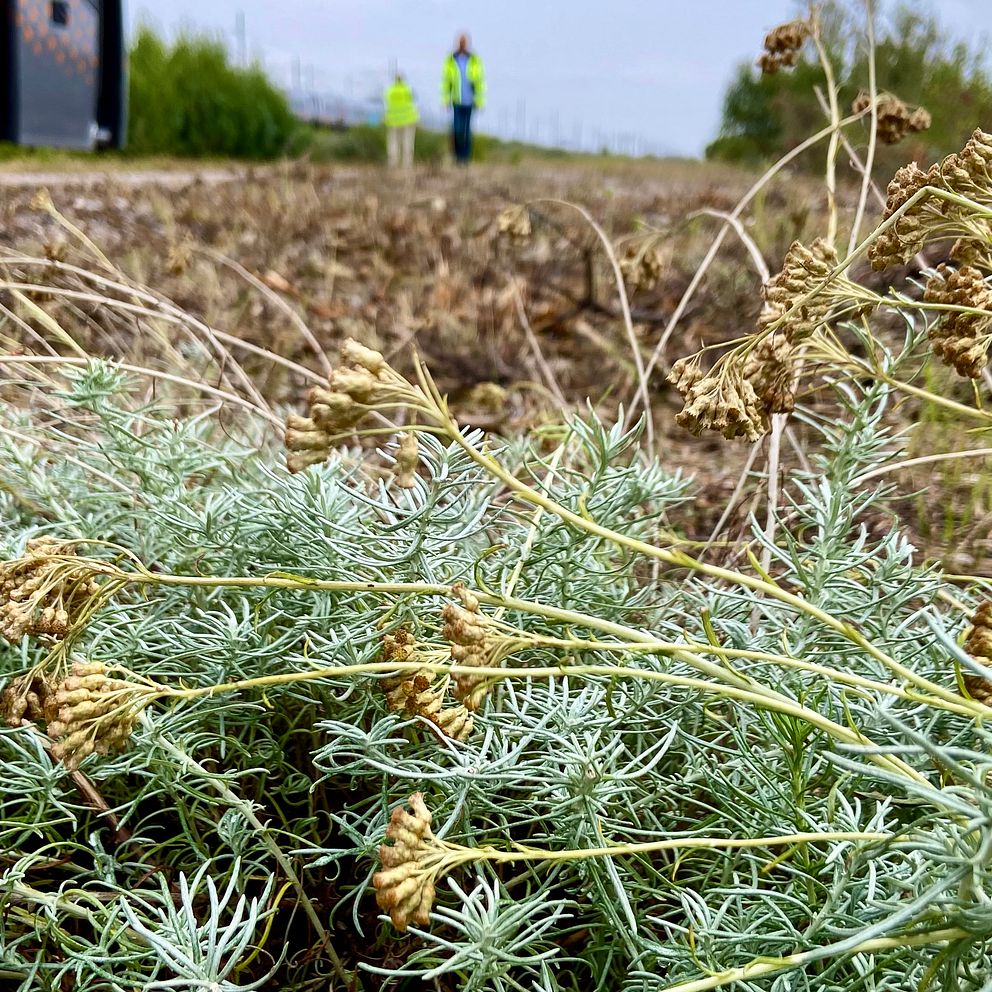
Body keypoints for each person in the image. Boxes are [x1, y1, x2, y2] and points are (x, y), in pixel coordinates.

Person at [441, 33, 485, 164]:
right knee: (457, 130)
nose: (462, 44)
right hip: (456, 100)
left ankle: (465, 159)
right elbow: (446, 81)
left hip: (470, 101)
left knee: (467, 131)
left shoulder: (474, 60)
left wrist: (479, 100)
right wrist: (445, 98)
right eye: (460, 41)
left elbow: (480, 82)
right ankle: (456, 156)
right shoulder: (450, 60)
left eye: (464, 41)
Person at [384, 74, 418, 169]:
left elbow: (386, 102)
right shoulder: (408, 90)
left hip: (393, 120)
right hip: (408, 119)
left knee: (393, 142)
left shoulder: (389, 91)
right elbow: (413, 99)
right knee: (408, 142)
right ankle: (407, 164)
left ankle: (393, 163)